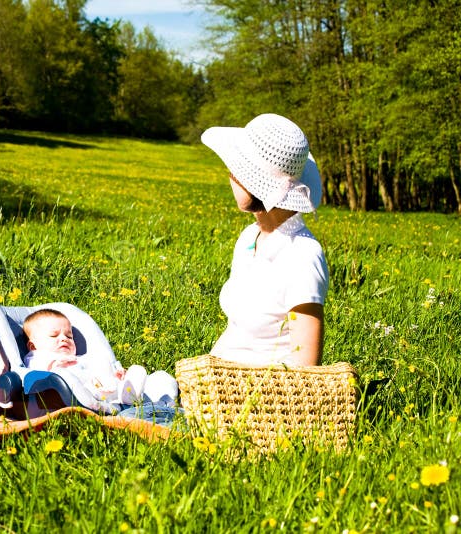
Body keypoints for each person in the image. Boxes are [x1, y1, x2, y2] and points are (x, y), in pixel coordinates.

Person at [201, 113, 328, 366]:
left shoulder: (302, 256)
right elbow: (237, 336)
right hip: (217, 385)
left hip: (260, 398)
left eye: (235, 169)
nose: (229, 174)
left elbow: (306, 369)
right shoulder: (250, 237)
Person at [22, 309, 178, 406]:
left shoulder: (85, 358)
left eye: (69, 336)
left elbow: (101, 370)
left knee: (160, 378)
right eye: (53, 335)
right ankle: (119, 399)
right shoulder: (38, 357)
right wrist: (53, 365)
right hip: (78, 394)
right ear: (33, 346)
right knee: (66, 378)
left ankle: (152, 399)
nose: (64, 339)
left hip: (111, 393)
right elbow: (34, 372)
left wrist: (117, 375)